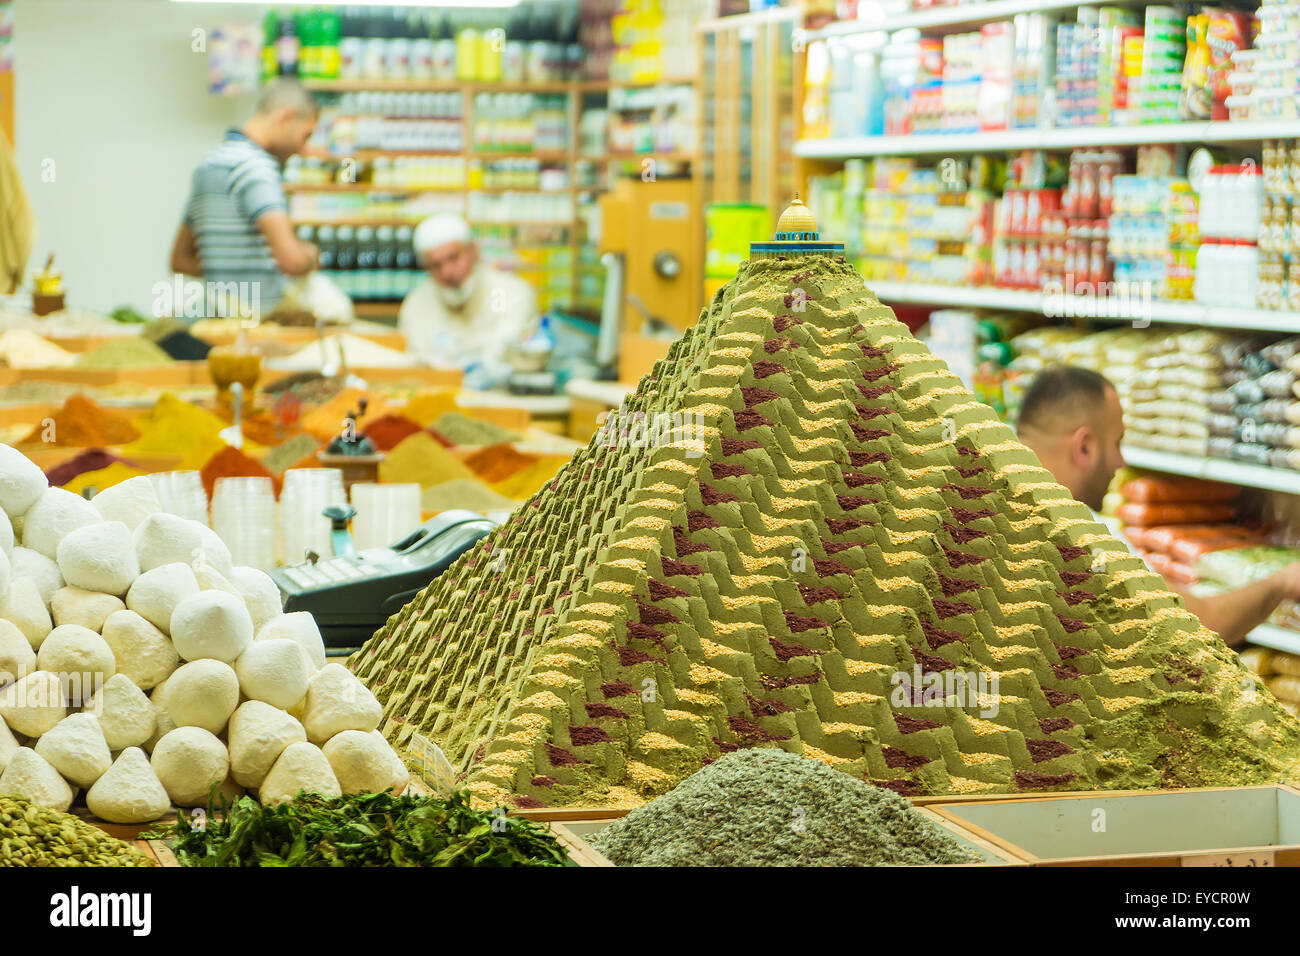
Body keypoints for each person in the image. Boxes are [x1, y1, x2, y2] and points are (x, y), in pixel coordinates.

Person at [1016, 364, 1300, 647]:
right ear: (1085, 446)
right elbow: (1200, 625)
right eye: (1117, 443)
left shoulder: (982, 497)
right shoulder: (1079, 535)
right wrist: (1282, 583)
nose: (1121, 462)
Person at [168, 78, 320, 318]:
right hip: (258, 323)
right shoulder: (256, 168)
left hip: (216, 319)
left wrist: (228, 275)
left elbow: (180, 260)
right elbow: (290, 261)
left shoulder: (209, 165)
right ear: (284, 117)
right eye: (305, 135)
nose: (304, 149)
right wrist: (310, 257)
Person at [398, 213, 539, 381]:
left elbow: (503, 348)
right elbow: (417, 364)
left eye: (454, 258)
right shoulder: (417, 305)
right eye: (435, 265)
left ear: (473, 251)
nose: (447, 272)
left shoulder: (501, 292)